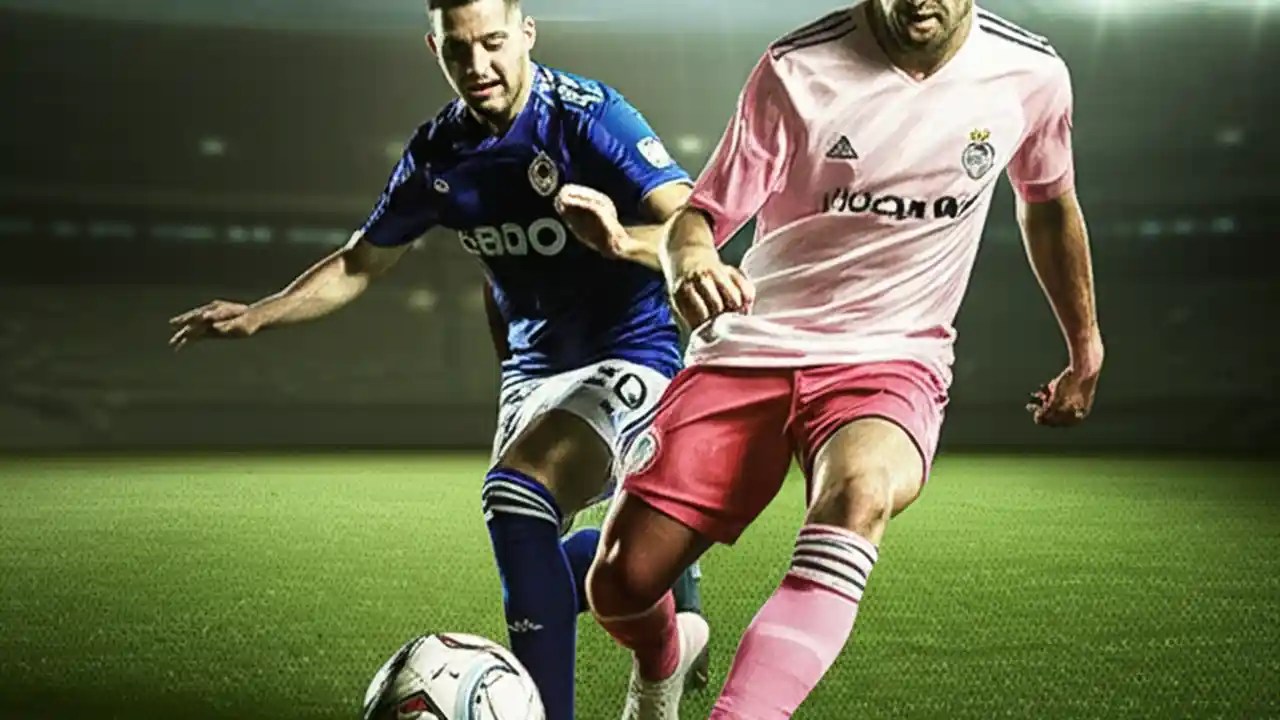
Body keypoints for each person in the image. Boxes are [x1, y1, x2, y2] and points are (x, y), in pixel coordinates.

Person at [166, 1, 709, 717]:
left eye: (493, 42)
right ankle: (663, 606)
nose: (478, 65)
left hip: (630, 354)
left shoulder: (588, 117)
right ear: (435, 48)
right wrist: (260, 313)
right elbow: (361, 262)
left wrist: (617, 240)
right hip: (530, 374)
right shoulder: (438, 155)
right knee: (557, 552)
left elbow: (695, 223)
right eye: (459, 50)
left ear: (527, 33)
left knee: (515, 496)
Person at [576, 1, 1105, 718]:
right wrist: (691, 261)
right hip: (755, 346)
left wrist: (1085, 345)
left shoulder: (1031, 73)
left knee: (859, 493)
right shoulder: (795, 69)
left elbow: (1047, 204)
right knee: (619, 582)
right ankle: (665, 658)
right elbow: (698, 219)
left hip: (892, 357)